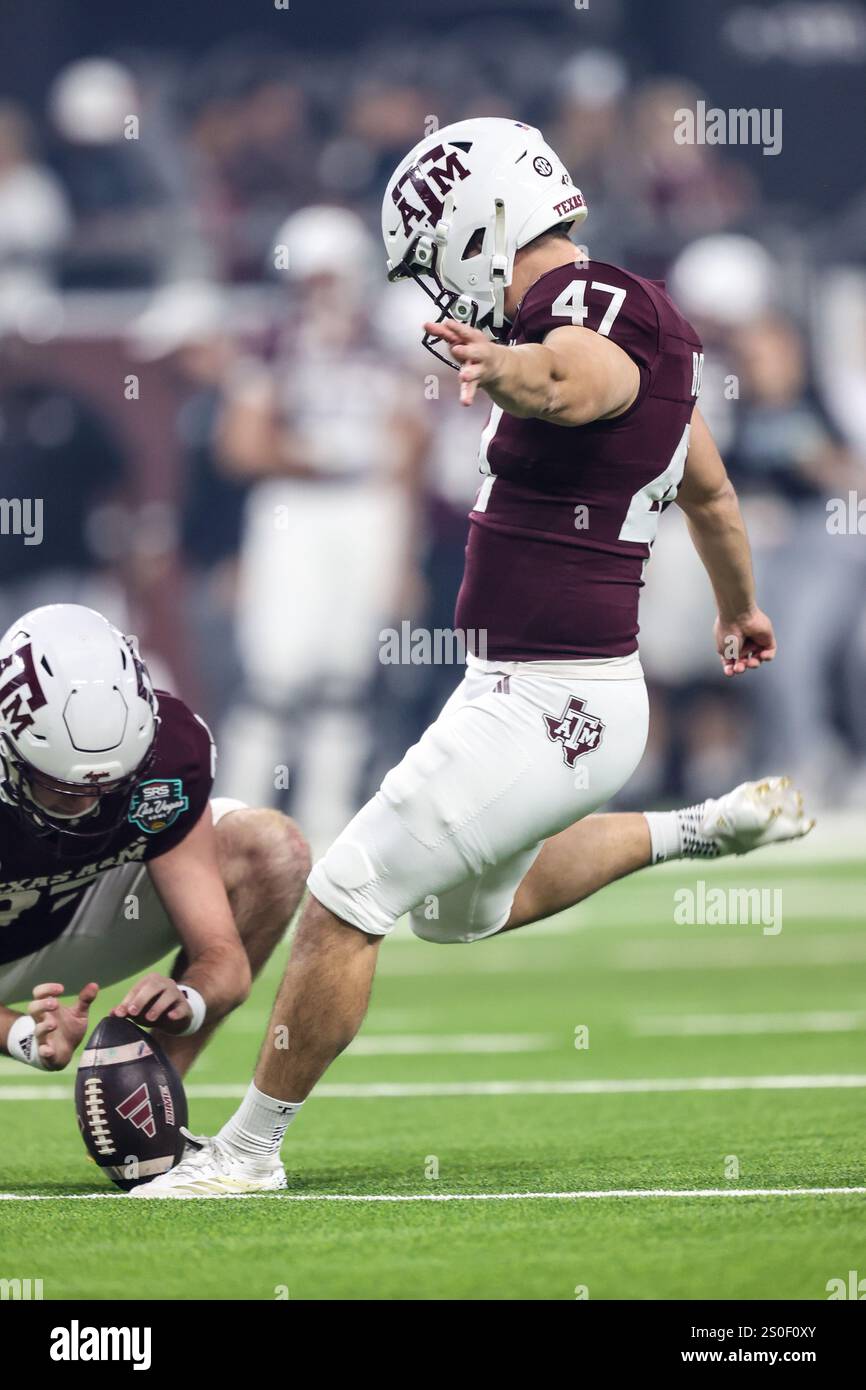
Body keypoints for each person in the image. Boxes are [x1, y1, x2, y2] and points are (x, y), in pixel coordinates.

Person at [131, 119, 812, 1198]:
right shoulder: (656, 322)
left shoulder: (582, 312)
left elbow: (574, 378)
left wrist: (512, 369)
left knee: (346, 893)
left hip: (546, 697)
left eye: (430, 254)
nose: (431, 284)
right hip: (573, 701)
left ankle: (246, 1151)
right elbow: (710, 492)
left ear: (477, 223)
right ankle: (696, 826)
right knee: (458, 909)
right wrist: (739, 607)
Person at [0, 604, 309, 1097]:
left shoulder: (169, 752)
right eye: (58, 787)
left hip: (72, 918)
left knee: (271, 849)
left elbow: (222, 958)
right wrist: (19, 1033)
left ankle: (149, 1097)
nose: (85, 806)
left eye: (112, 785)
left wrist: (190, 997)